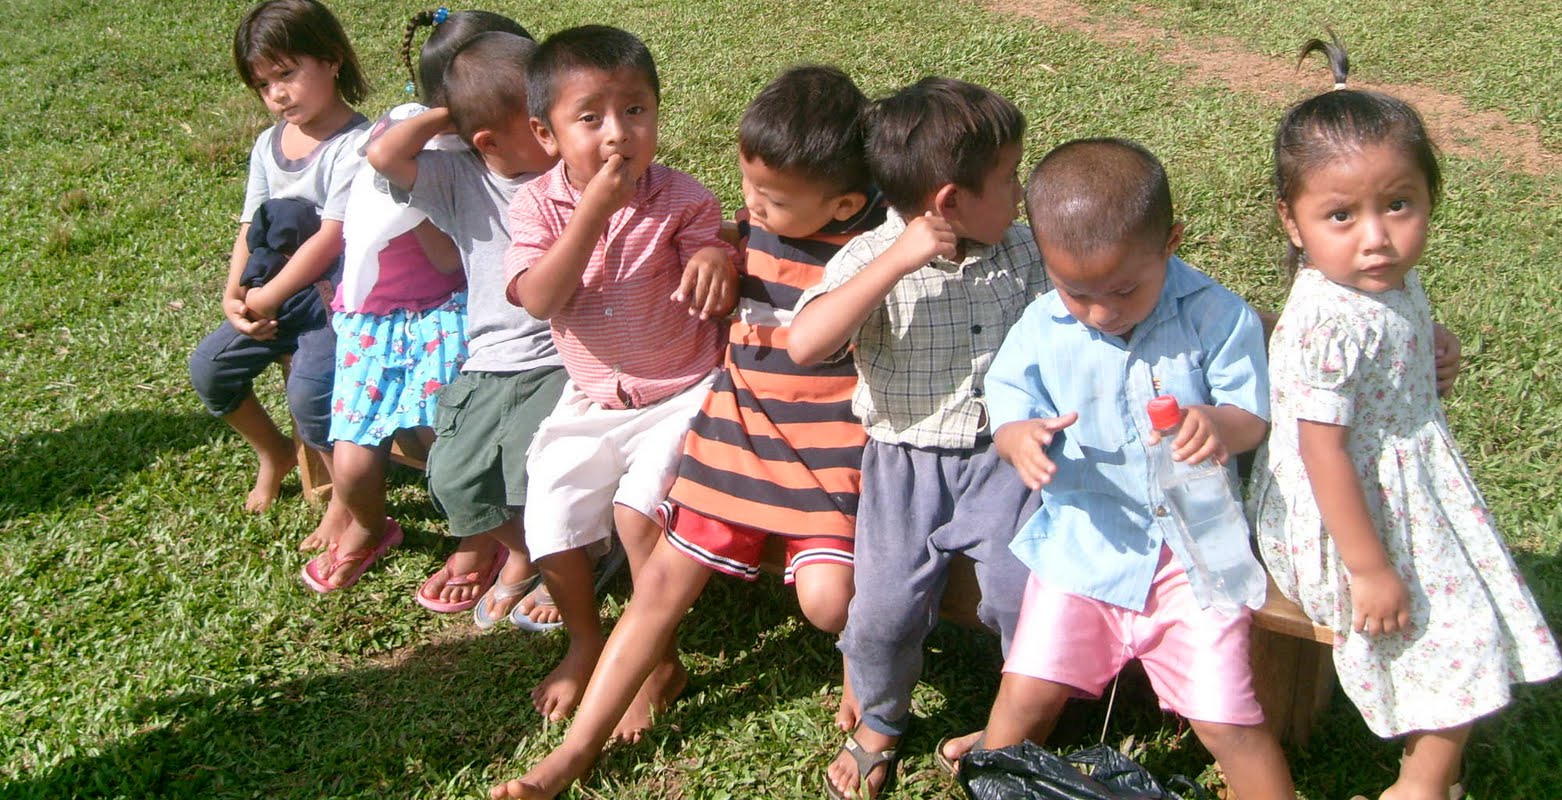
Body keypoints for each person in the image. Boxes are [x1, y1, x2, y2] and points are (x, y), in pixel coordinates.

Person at [491, 65, 885, 800]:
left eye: (768, 198)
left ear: (845, 202)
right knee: (657, 590)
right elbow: (711, 241)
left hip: (825, 453)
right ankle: (573, 755)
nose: (750, 209)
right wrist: (716, 250)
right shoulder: (758, 232)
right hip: (734, 437)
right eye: (748, 189)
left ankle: (866, 675)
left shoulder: (872, 254)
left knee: (829, 601)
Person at [1249, 41, 1562, 800]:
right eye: (1340, 215)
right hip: (1338, 523)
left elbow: (1391, 351)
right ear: (1292, 223)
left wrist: (1431, 352)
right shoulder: (1330, 319)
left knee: (1471, 599)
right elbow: (1320, 450)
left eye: (1399, 204)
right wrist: (1370, 570)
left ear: (1429, 197)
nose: (1377, 237)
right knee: (1458, 627)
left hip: (1397, 487)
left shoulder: (1381, 283)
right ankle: (1423, 785)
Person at [940, 138, 1296, 800]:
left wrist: (1217, 424)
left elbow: (1253, 414)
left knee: (1230, 722)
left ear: (1171, 242)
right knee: (1023, 697)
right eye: (1078, 292)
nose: (1103, 312)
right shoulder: (1042, 328)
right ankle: (994, 778)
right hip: (1085, 550)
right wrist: (1020, 438)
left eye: (1125, 289)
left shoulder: (1215, 317)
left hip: (1195, 563)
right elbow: (1009, 406)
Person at [786, 77, 1045, 800]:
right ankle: (879, 721)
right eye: (1008, 179)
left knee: (1022, 593)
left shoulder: (1023, 251)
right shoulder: (869, 257)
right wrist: (898, 259)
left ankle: (1016, 723)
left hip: (1006, 456)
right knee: (881, 612)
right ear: (949, 203)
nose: (1020, 194)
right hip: (905, 464)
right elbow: (806, 343)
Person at [503, 25, 738, 726]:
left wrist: (716, 261)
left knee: (639, 514)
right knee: (548, 523)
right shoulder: (535, 207)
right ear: (546, 135)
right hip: (592, 398)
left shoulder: (682, 197)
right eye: (591, 117)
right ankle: (585, 639)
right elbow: (540, 297)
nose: (617, 133)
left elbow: (713, 247)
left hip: (684, 390)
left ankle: (658, 658)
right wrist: (592, 216)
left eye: (635, 111)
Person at [366, 21, 573, 624]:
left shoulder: (569, 175)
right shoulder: (460, 180)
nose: (552, 131)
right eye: (537, 123)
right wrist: (448, 115)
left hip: (561, 355)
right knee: (454, 481)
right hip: (489, 359)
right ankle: (526, 551)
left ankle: (569, 565)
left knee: (531, 473)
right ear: (486, 139)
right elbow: (382, 154)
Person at [300, 7, 481, 592]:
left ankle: (479, 536)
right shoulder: (402, 138)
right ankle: (370, 526)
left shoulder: (484, 151)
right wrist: (423, 196)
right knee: (351, 464)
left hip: (443, 311)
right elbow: (447, 255)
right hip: (377, 318)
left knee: (440, 435)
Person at [188, 0, 369, 537]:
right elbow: (251, 224)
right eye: (263, 85)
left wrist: (266, 298)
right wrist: (235, 295)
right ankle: (274, 453)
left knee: (312, 396)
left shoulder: (357, 145)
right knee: (211, 369)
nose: (277, 94)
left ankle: (347, 498)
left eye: (287, 74)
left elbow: (332, 239)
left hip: (334, 302)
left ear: (332, 58)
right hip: (273, 294)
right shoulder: (269, 145)